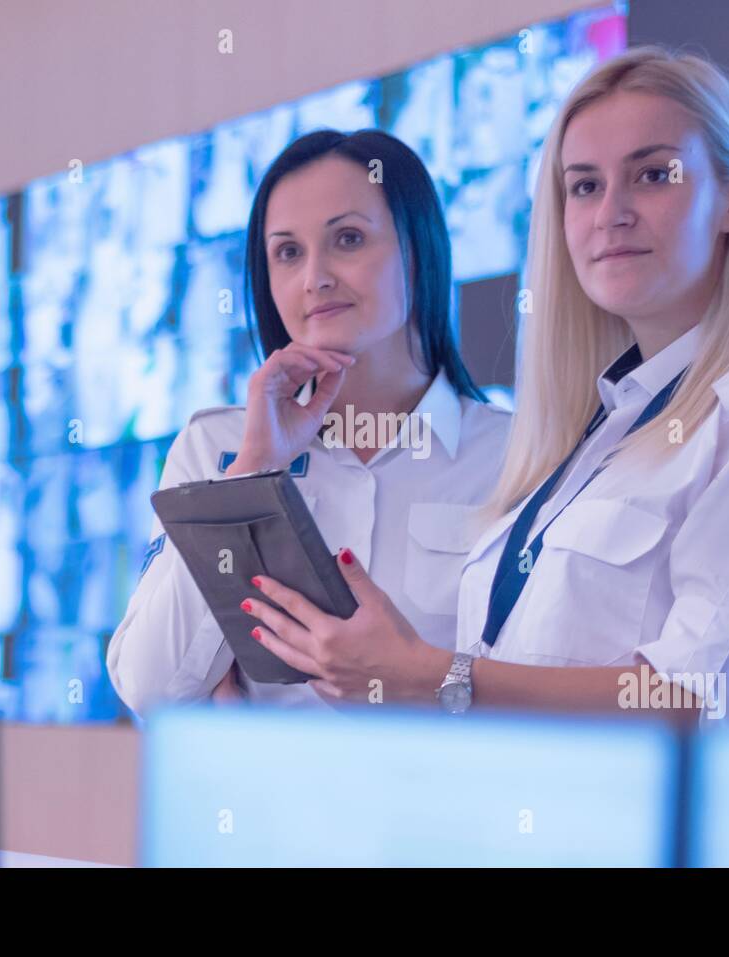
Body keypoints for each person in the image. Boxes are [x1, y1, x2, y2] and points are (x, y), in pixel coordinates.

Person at [241, 46, 729, 735]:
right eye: (584, 186)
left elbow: (700, 699)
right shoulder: (607, 429)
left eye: (652, 175)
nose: (611, 213)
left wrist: (428, 673)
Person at [107, 129, 511, 714]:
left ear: (418, 250)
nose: (314, 277)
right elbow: (150, 690)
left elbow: (540, 688)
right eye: (287, 252)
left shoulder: (518, 455)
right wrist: (252, 474)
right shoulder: (215, 448)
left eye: (348, 239)